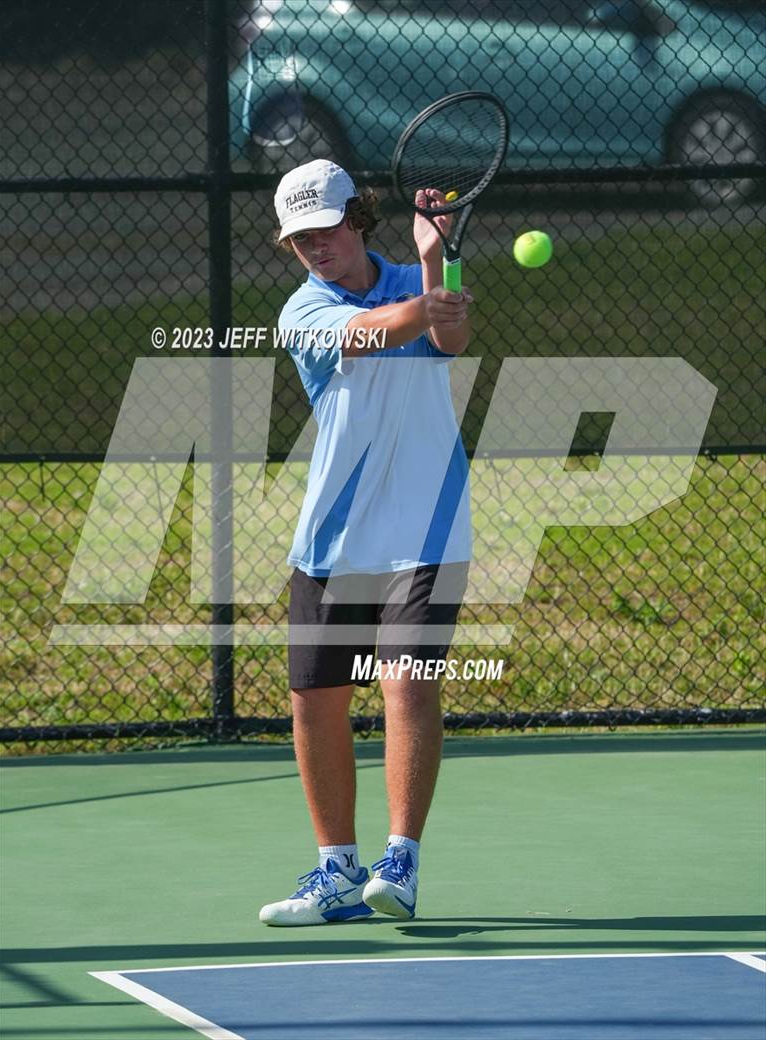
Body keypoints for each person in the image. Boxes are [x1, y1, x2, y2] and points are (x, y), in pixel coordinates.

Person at [258, 159, 473, 926]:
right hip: (333, 539)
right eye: (299, 239)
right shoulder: (302, 312)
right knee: (315, 701)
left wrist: (434, 253)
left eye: (323, 230)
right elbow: (377, 331)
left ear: (357, 217)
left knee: (406, 683)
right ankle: (336, 873)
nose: (314, 248)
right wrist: (429, 281)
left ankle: (401, 863)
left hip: (428, 528)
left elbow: (449, 338)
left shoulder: (411, 275)